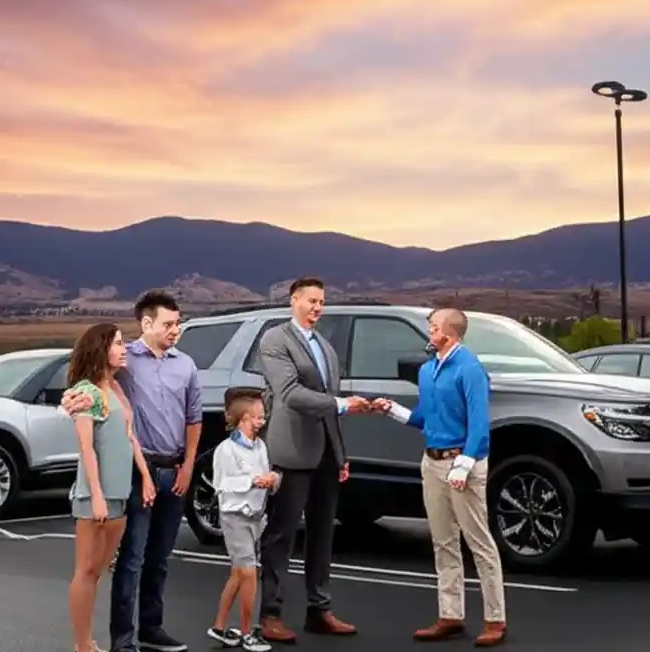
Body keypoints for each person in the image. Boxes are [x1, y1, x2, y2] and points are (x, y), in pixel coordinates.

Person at [62, 290, 201, 652]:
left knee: (156, 559)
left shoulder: (184, 365)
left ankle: (150, 631)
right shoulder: (126, 365)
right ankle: (116, 641)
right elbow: (84, 409)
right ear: (147, 323)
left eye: (178, 323)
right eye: (168, 324)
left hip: (163, 473)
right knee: (128, 560)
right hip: (120, 485)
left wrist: (186, 466)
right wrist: (69, 401)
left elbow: (190, 419)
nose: (175, 330)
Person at [371, 308, 507, 647]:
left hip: (464, 462)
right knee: (443, 540)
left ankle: (495, 619)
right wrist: (395, 411)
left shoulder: (470, 369)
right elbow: (427, 419)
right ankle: (450, 615)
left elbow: (478, 423)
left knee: (479, 542)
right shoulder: (428, 371)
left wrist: (463, 464)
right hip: (431, 462)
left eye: (433, 328)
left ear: (450, 333)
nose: (429, 333)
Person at [255, 277, 367, 643]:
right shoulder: (275, 340)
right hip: (290, 452)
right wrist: (342, 404)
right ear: (294, 300)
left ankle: (319, 610)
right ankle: (270, 613)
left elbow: (330, 409)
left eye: (322, 302)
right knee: (281, 536)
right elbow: (289, 394)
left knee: (322, 536)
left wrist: (340, 454)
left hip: (324, 456)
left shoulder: (326, 347)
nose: (318, 307)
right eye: (312, 301)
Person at [64, 323, 156, 652]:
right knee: (86, 571)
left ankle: (87, 641)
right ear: (101, 348)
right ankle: (82, 644)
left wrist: (145, 475)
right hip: (95, 497)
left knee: (98, 573)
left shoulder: (116, 389)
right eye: (117, 343)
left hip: (120, 493)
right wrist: (98, 497)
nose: (123, 349)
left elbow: (129, 437)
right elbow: (87, 449)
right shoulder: (86, 392)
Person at [207, 387, 279, 652]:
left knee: (238, 574)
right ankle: (249, 631)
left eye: (262, 417)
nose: (261, 421)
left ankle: (219, 625)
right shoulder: (226, 450)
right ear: (243, 420)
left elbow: (267, 473)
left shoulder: (259, 446)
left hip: (256, 516)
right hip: (235, 516)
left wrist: (272, 479)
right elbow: (222, 483)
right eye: (258, 417)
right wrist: (254, 480)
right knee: (249, 572)